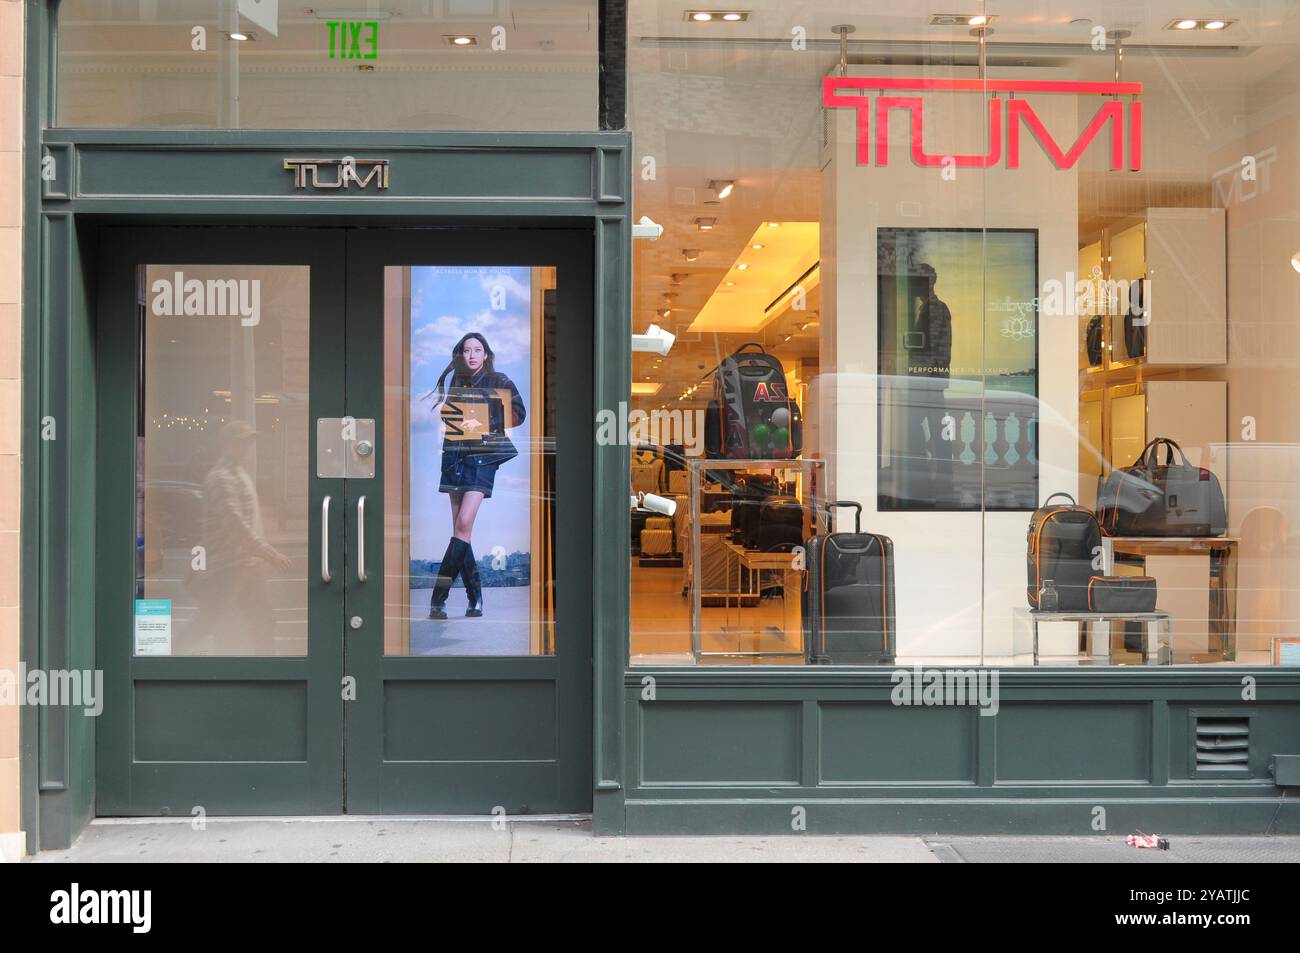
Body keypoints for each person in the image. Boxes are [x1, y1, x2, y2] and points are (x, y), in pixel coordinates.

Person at [424, 332, 526, 619]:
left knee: (464, 523)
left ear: (486, 355)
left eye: (477, 350)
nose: (471, 355)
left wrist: (483, 420)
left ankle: (437, 598)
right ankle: (475, 596)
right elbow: (449, 418)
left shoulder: (500, 381)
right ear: (461, 354)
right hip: (455, 457)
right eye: (466, 350)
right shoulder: (457, 382)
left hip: (482, 458)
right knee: (460, 530)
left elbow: (518, 413)